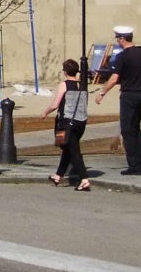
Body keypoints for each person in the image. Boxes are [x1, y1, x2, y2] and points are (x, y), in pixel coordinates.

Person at [95, 25, 141, 175]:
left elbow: (114, 78)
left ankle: (135, 166)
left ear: (122, 39)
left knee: (127, 130)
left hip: (129, 95)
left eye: (117, 38)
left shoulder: (123, 56)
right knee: (135, 127)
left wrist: (102, 93)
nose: (117, 40)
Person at [42, 59, 92, 191]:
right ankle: (58, 175)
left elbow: (55, 104)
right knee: (68, 149)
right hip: (81, 121)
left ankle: (84, 179)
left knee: (74, 151)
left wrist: (45, 112)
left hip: (67, 122)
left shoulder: (64, 84)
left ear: (65, 72)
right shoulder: (82, 85)